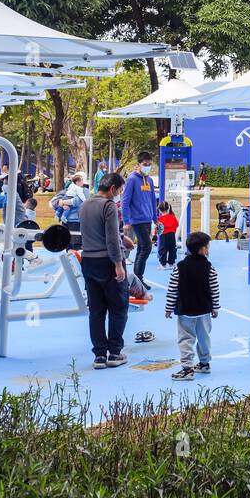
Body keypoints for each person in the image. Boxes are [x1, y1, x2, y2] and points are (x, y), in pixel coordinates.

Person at [78, 174, 131, 369]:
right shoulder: (109, 206)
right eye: (119, 190)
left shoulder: (84, 205)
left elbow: (97, 232)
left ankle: (99, 354)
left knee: (97, 310)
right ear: (112, 189)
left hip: (89, 260)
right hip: (107, 261)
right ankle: (115, 352)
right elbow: (110, 238)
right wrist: (118, 263)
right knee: (118, 308)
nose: (119, 194)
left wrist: (121, 237)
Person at [165, 230, 220, 381]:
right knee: (204, 337)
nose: (208, 250)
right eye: (207, 247)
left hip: (185, 311)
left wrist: (169, 308)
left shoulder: (180, 267)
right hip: (204, 311)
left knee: (186, 339)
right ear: (202, 249)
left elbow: (172, 290)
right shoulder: (209, 268)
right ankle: (204, 363)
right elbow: (215, 289)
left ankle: (187, 368)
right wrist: (215, 307)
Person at [120, 152, 158, 285]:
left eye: (149, 164)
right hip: (137, 220)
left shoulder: (150, 180)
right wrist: (126, 220)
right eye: (144, 165)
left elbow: (153, 200)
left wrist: (155, 218)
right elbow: (125, 201)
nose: (147, 167)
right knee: (147, 247)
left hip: (147, 219)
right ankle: (138, 277)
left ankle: (136, 280)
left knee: (142, 247)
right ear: (138, 165)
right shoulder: (131, 179)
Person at [156, 200, 179, 268]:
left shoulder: (160, 219)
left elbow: (159, 230)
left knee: (163, 249)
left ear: (159, 210)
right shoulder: (172, 217)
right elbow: (176, 225)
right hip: (172, 235)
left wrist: (155, 233)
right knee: (172, 248)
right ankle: (171, 262)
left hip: (163, 236)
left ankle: (163, 264)